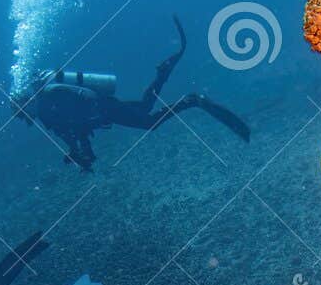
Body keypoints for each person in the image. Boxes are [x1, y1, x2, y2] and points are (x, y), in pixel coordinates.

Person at [13, 18, 251, 171]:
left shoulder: (52, 94)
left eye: (23, 112)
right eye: (22, 116)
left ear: (28, 101)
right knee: (145, 107)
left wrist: (94, 117)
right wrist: (80, 155)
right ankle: (163, 72)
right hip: (105, 112)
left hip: (105, 109)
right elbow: (73, 133)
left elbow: (85, 98)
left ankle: (191, 100)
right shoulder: (47, 117)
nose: (26, 117)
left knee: (149, 123)